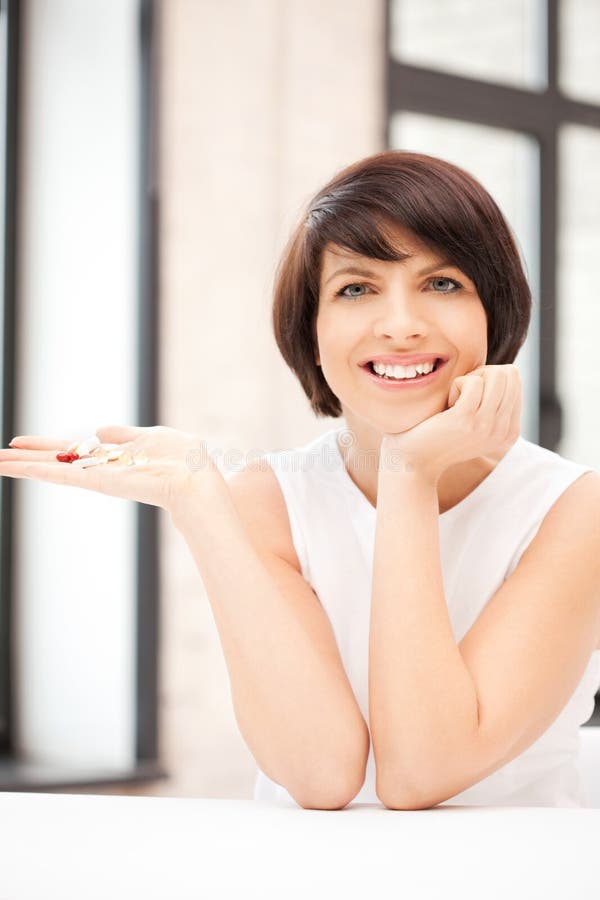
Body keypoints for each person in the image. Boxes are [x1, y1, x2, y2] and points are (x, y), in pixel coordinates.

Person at [1, 150, 599, 810]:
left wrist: (409, 472)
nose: (400, 325)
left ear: (496, 310)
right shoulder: (269, 500)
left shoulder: (573, 510)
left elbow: (422, 771)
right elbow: (319, 774)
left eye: (443, 283)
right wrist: (201, 502)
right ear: (311, 334)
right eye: (356, 288)